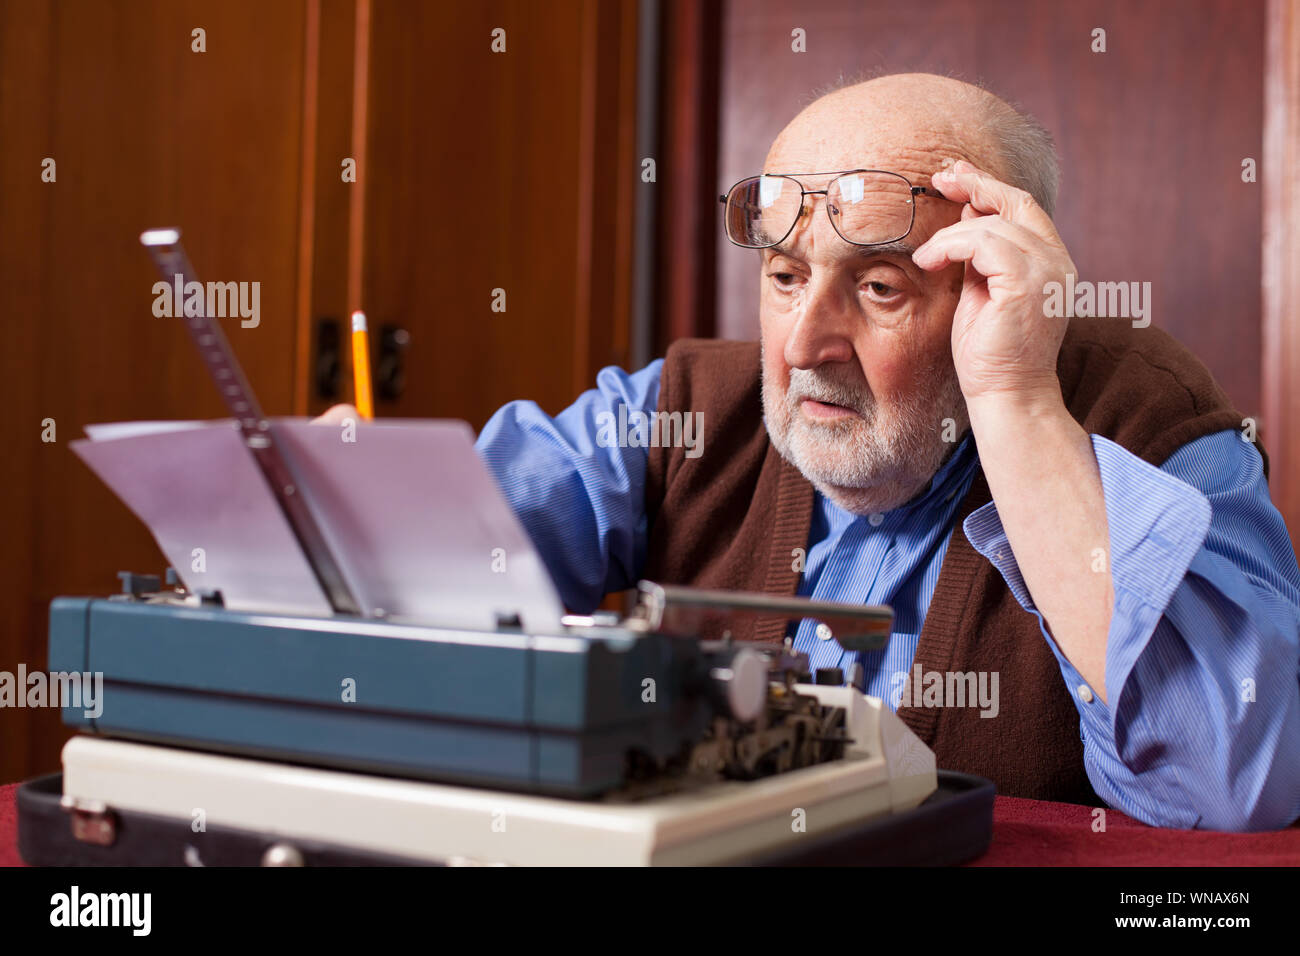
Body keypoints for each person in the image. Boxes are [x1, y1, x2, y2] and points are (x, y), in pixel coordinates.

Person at [319, 73, 1300, 831]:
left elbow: (1234, 788)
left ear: (997, 282)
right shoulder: (685, 412)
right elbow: (411, 573)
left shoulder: (1147, 418)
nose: (801, 344)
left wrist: (1014, 401)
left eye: (878, 288)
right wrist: (341, 510)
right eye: (784, 276)